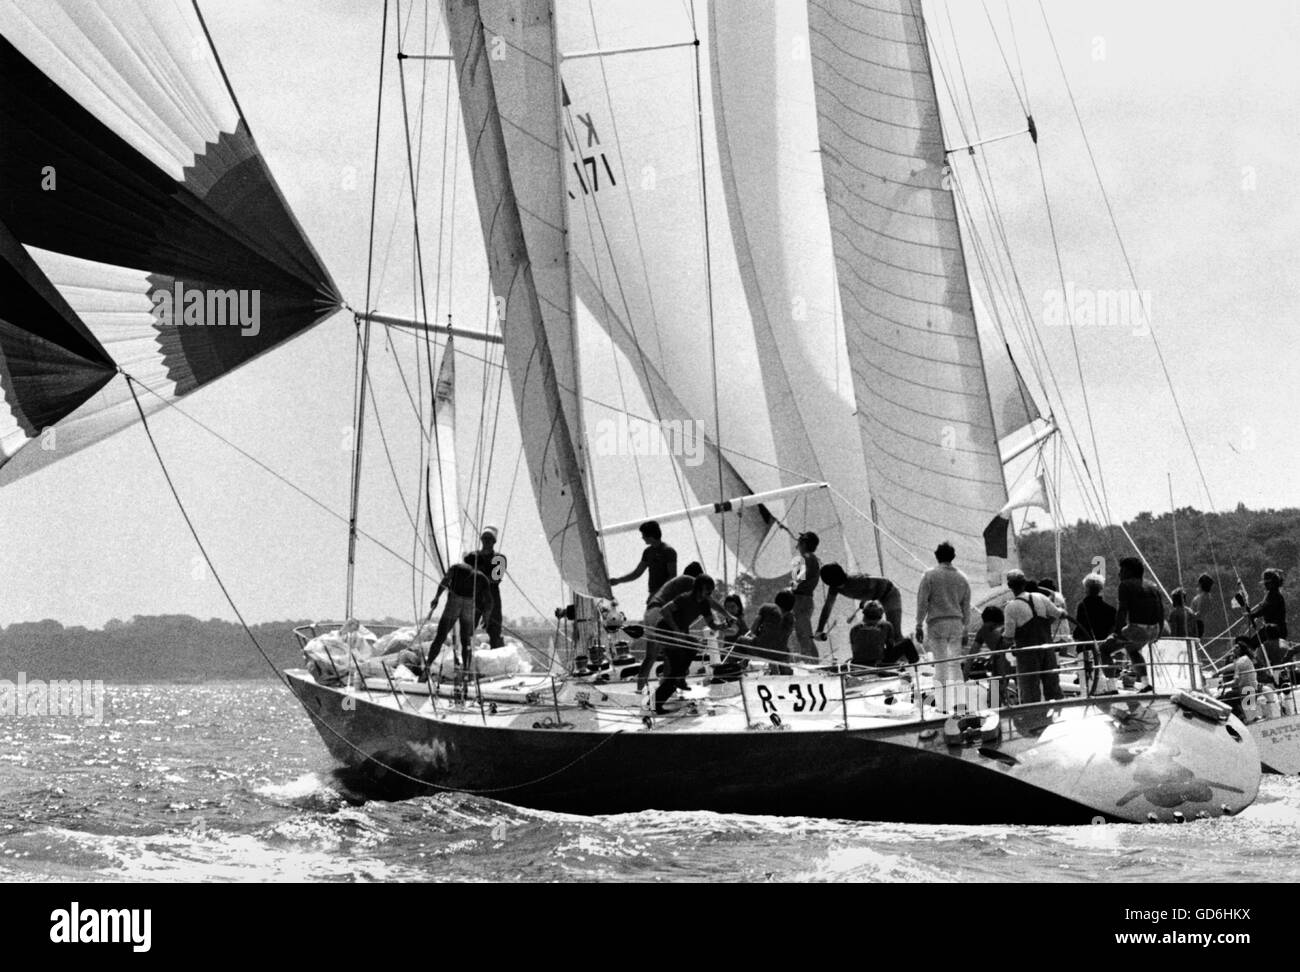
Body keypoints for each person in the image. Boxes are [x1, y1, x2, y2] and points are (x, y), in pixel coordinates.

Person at [652, 575, 728, 713]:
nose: (709, 594)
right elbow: (664, 611)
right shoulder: (684, 598)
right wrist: (676, 630)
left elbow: (711, 623)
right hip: (665, 630)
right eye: (707, 590)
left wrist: (720, 627)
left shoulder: (704, 603)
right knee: (677, 668)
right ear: (698, 589)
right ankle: (658, 702)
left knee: (693, 646)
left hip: (679, 633)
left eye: (711, 590)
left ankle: (679, 678)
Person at [915, 541, 971, 712]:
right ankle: (961, 704)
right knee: (955, 665)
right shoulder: (962, 577)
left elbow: (922, 602)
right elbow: (966, 605)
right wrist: (966, 629)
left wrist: (918, 623)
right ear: (953, 557)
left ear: (936, 555)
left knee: (940, 665)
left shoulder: (929, 575)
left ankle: (943, 706)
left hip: (937, 623)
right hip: (956, 623)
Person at [636, 562, 704, 692]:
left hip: (651, 612)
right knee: (672, 654)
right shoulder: (691, 584)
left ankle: (640, 689)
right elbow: (683, 619)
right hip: (660, 613)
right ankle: (669, 687)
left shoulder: (676, 583)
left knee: (650, 656)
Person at [1002, 569, 1064, 705]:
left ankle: (1033, 720)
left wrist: (999, 647)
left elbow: (1009, 636)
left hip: (1027, 654)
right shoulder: (1040, 597)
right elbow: (1059, 613)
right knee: (1053, 687)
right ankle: (1059, 714)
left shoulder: (1011, 607)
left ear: (1009, 586)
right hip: (1047, 649)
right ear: (1024, 583)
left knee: (1030, 690)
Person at [428, 559, 492, 673]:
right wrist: (486, 616)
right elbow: (488, 600)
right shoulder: (483, 578)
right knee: (466, 640)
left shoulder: (457, 567)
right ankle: (466, 671)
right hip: (469, 604)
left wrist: (436, 597)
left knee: (440, 636)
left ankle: (427, 668)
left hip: (454, 600)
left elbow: (445, 580)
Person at [814, 564, 903, 646]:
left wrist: (870, 599)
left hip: (890, 594)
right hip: (876, 598)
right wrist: (819, 629)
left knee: (895, 633)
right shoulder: (834, 588)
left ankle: (906, 657)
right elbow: (827, 607)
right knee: (871, 632)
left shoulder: (856, 580)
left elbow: (883, 582)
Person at [1114, 556, 1163, 686]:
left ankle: (1109, 686)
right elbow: (1161, 611)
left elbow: (1122, 611)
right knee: (1133, 649)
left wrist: (1117, 633)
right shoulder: (1153, 586)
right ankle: (1145, 683)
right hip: (1155, 630)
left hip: (1138, 630)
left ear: (1130, 571)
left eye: (1122, 570)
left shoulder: (1125, 585)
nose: (1119, 573)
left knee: (1104, 649)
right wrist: (1159, 632)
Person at [609, 520, 678, 603]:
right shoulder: (648, 552)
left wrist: (657, 594)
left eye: (643, 535)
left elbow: (672, 577)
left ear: (651, 536)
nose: (642, 538)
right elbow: (637, 573)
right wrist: (618, 580)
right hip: (653, 594)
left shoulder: (668, 551)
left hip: (666, 595)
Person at [464, 526, 507, 648]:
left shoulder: (499, 558)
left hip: (492, 596)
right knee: (467, 627)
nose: (487, 541)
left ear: (494, 541)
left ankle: (497, 652)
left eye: (490, 538)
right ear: (481, 539)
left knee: (494, 629)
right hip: (475, 596)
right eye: (485, 538)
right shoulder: (472, 557)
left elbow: (496, 578)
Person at [1073, 573, 1118, 685]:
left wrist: (1075, 637)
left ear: (1086, 588)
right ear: (1100, 589)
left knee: (1088, 683)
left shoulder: (1082, 606)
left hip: (1086, 646)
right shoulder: (1110, 610)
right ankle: (1112, 686)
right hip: (1102, 646)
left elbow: (1080, 626)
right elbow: (1113, 628)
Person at [1242, 569, 1288, 672]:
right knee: (1254, 645)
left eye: (1266, 583)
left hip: (1276, 631)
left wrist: (1253, 615)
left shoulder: (1274, 595)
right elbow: (1263, 606)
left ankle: (1254, 670)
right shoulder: (1271, 594)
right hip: (1270, 629)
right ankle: (1261, 669)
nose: (1264, 585)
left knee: (1250, 645)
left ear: (1271, 583)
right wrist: (1252, 614)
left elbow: (1266, 609)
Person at [788, 532, 821, 662]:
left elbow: (796, 581)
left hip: (800, 600)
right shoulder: (814, 559)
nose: (797, 546)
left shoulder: (803, 559)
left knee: (804, 635)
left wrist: (790, 586)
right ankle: (813, 662)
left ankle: (812, 663)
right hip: (806, 600)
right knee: (805, 634)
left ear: (804, 544)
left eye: (799, 543)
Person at [848, 600, 894, 669]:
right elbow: (890, 647)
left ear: (864, 614)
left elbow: (854, 649)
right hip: (877, 663)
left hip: (857, 664)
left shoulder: (854, 629)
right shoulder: (886, 625)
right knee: (906, 643)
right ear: (880, 614)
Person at [1190, 573, 1215, 641]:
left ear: (1201, 584)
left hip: (1196, 624)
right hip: (1196, 623)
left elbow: (1199, 613)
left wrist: (1188, 614)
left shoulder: (1204, 596)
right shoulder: (1204, 595)